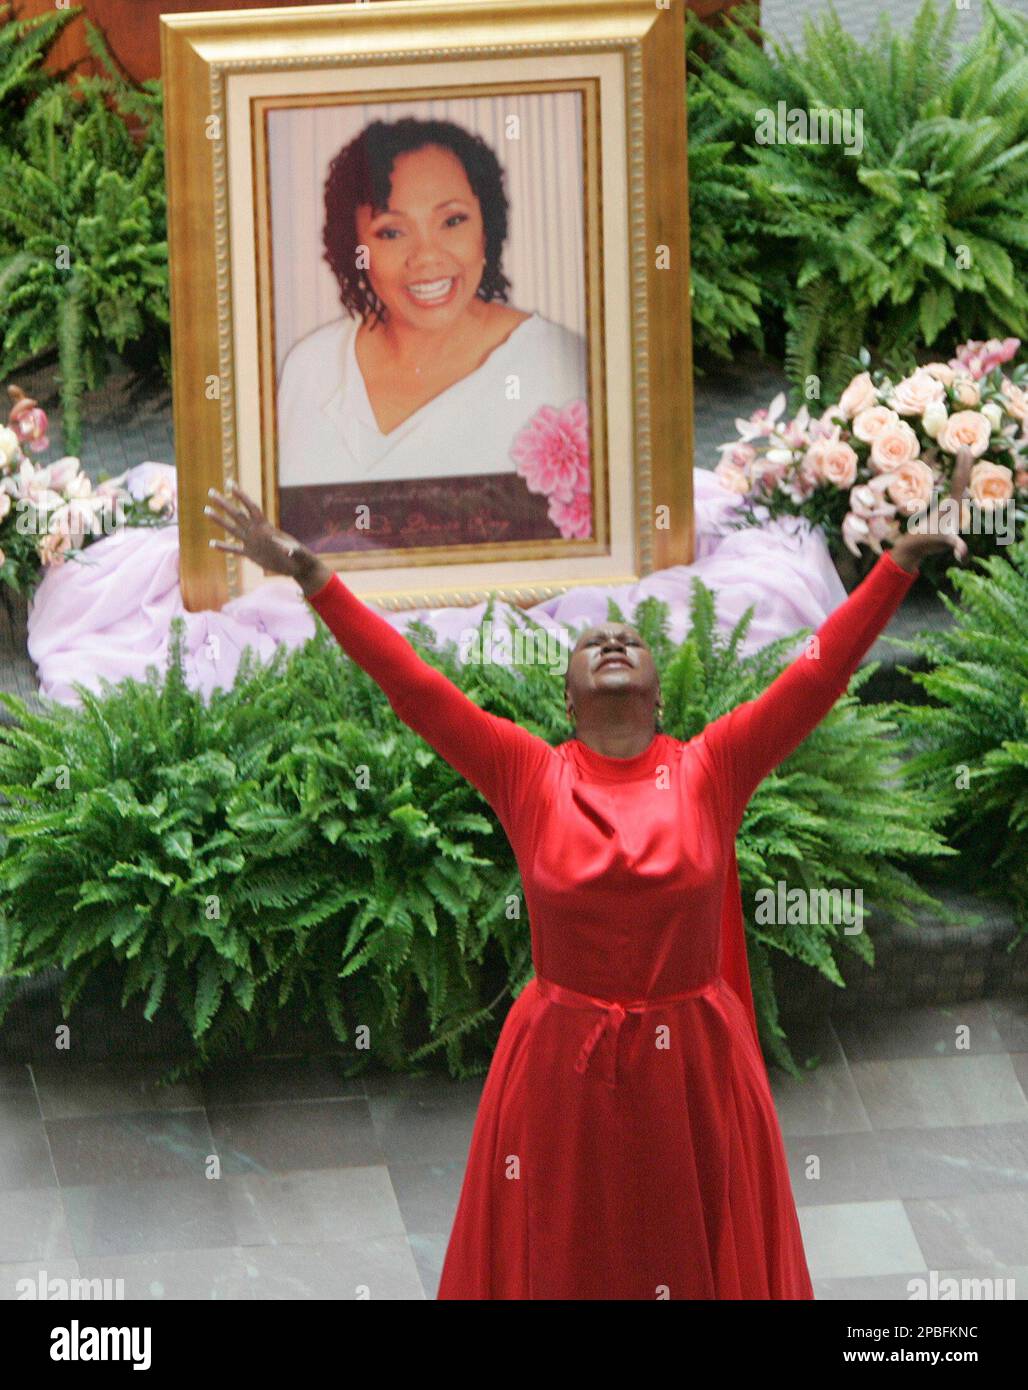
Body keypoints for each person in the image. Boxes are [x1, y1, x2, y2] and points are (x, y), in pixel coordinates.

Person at [204, 453, 970, 1300]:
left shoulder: (713, 768)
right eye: (591, 642)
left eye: (631, 639)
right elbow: (414, 687)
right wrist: (311, 573)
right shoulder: (528, 774)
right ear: (568, 700)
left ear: (657, 696)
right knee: (563, 1255)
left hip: (695, 1069)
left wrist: (898, 563)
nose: (611, 640)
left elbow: (818, 672)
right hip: (561, 1066)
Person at [276, 117, 587, 492]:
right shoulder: (310, 368)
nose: (426, 258)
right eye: (391, 232)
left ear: (486, 229)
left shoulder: (559, 366)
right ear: (354, 248)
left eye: (452, 221)